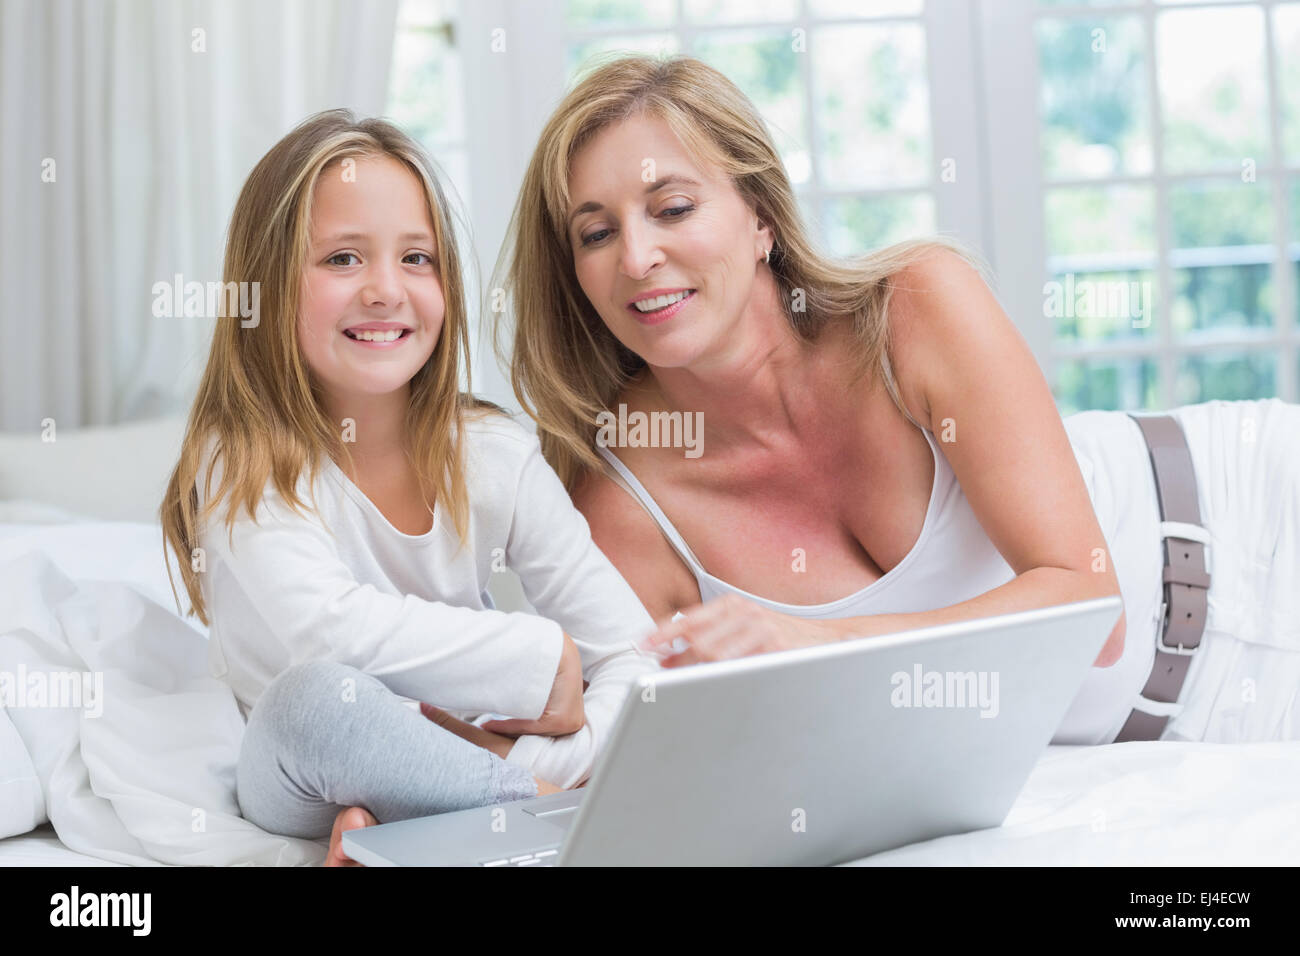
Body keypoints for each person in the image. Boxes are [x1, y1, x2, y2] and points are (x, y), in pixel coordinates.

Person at [498, 54, 1300, 748]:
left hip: (1245, 521)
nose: (638, 256)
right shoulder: (622, 513)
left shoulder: (912, 306)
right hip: (1152, 737)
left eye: (673, 209)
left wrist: (813, 641)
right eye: (595, 233)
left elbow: (1089, 610)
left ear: (762, 220)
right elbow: (641, 747)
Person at [160, 110, 658, 866]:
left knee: (627, 708)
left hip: (462, 754)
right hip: (301, 767)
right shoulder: (244, 457)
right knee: (319, 700)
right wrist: (541, 660)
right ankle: (548, 820)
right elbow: (327, 634)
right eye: (342, 260)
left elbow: (632, 653)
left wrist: (519, 760)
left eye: (417, 258)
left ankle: (428, 824)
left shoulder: (492, 452)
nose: (386, 290)